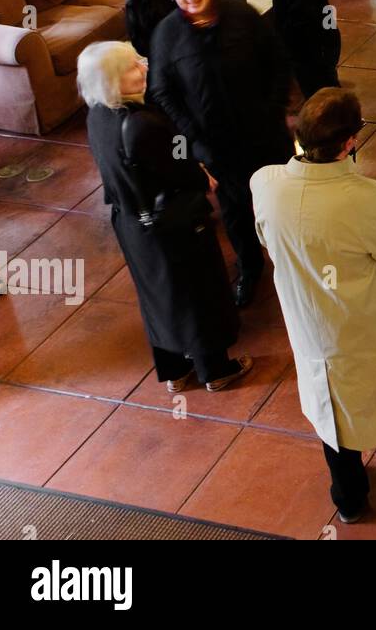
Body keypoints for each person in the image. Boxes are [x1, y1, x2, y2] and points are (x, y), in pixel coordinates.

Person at [252, 88, 376, 523]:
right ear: (350, 141)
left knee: (329, 408)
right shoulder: (366, 197)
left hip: (306, 322)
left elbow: (266, 239)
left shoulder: (264, 183)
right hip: (364, 324)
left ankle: (348, 499)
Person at [79, 42, 252, 393]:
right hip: (174, 226)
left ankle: (174, 371)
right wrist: (203, 176)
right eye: (131, 67)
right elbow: (179, 171)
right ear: (112, 80)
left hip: (133, 225)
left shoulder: (97, 116)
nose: (142, 69)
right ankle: (215, 370)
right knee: (197, 294)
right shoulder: (144, 124)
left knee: (157, 296)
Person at [148, 0, 294, 308]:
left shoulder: (242, 15)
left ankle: (293, 260)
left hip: (265, 135)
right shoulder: (166, 35)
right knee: (234, 211)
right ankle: (249, 267)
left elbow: (278, 63)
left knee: (281, 200)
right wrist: (193, 138)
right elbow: (163, 91)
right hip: (215, 145)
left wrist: (273, 110)